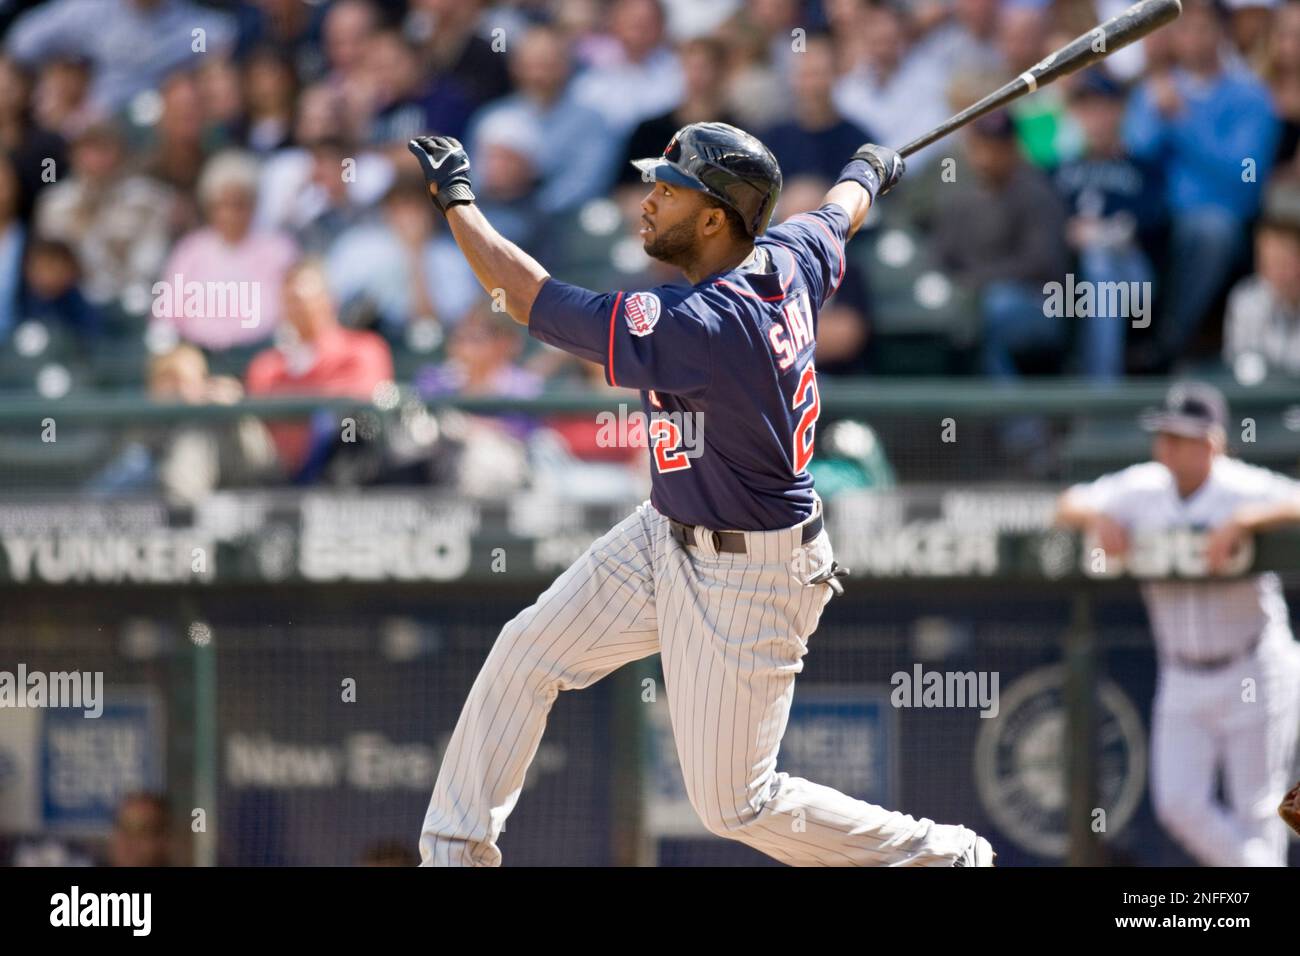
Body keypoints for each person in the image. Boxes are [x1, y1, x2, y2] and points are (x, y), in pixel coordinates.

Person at [407, 121, 994, 867]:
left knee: (736, 805)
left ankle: (941, 858)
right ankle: (454, 855)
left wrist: (457, 200)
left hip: (749, 573)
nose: (648, 201)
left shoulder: (710, 323)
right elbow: (840, 210)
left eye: (669, 190)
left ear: (715, 217)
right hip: (669, 527)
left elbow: (527, 299)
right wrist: (867, 170)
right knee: (527, 651)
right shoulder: (790, 250)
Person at [1055, 381, 1300, 866]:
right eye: (1162, 434)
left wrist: (1248, 520)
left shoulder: (1240, 486)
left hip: (1254, 663)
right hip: (1181, 671)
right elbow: (1065, 504)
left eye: (1180, 436)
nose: (1166, 446)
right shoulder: (1143, 487)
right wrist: (1097, 520)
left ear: (1212, 443)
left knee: (1257, 811)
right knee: (1178, 804)